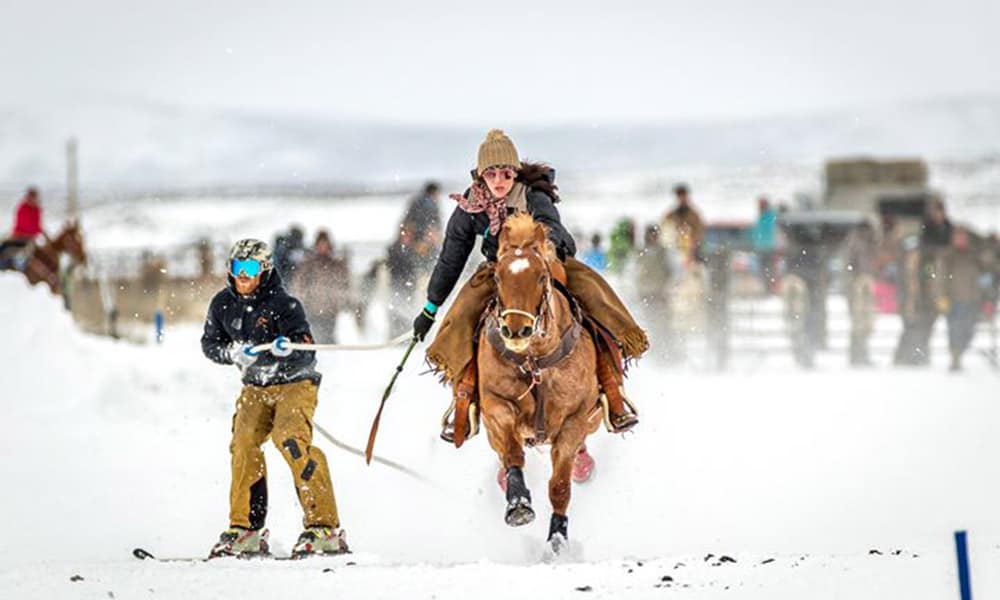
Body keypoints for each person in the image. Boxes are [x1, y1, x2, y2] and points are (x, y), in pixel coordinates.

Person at [412, 130, 647, 443]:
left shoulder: (533, 195)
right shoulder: (470, 207)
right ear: (480, 175)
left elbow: (556, 230)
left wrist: (543, 250)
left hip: (544, 266)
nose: (499, 180)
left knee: (593, 294)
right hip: (498, 272)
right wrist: (431, 307)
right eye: (491, 174)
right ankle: (464, 399)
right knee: (464, 314)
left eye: (506, 173)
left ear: (515, 173)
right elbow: (451, 259)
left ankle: (612, 390)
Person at [201, 239, 347, 558]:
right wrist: (233, 352)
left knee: (290, 439)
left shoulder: (286, 305)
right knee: (243, 442)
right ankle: (246, 530)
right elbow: (210, 344)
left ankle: (324, 528)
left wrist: (289, 350)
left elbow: (307, 348)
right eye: (237, 268)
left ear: (264, 271)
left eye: (250, 269)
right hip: (256, 385)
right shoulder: (222, 304)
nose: (242, 275)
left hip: (295, 383)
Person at [289, 230, 350, 344]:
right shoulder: (308, 264)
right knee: (314, 339)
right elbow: (298, 284)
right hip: (312, 308)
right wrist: (302, 301)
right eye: (320, 245)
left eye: (325, 245)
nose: (323, 248)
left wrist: (340, 301)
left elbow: (343, 284)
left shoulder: (335, 264)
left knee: (328, 338)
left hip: (330, 309)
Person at [944, 227, 982, 371]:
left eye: (963, 237)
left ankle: (959, 353)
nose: (961, 240)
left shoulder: (972, 255)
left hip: (971, 299)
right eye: (958, 237)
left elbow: (979, 274)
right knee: (954, 329)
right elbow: (941, 278)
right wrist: (942, 297)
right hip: (953, 299)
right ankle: (955, 358)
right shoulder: (948, 256)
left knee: (969, 330)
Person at [844, 222, 878, 366]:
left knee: (864, 323)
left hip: (864, 285)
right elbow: (850, 267)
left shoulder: (869, 244)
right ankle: (857, 354)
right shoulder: (855, 244)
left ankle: (860, 354)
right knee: (859, 323)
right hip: (858, 285)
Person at [0, 187, 47, 263]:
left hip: (31, 238)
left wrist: (35, 234)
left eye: (33, 198)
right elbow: (20, 223)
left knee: (30, 250)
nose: (31, 200)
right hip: (19, 235)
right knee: (5, 245)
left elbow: (37, 226)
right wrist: (20, 234)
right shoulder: (22, 208)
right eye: (29, 197)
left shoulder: (37, 210)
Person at [661, 184, 704, 264]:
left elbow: (699, 232)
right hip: (674, 249)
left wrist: (693, 245)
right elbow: (664, 227)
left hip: (691, 250)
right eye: (679, 196)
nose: (681, 198)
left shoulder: (694, 215)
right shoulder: (671, 214)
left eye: (683, 195)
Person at [750, 196, 777, 293]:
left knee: (768, 269)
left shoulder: (769, 216)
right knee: (763, 270)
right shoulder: (762, 216)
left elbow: (767, 231)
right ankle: (767, 288)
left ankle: (770, 289)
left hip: (768, 248)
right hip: (762, 248)